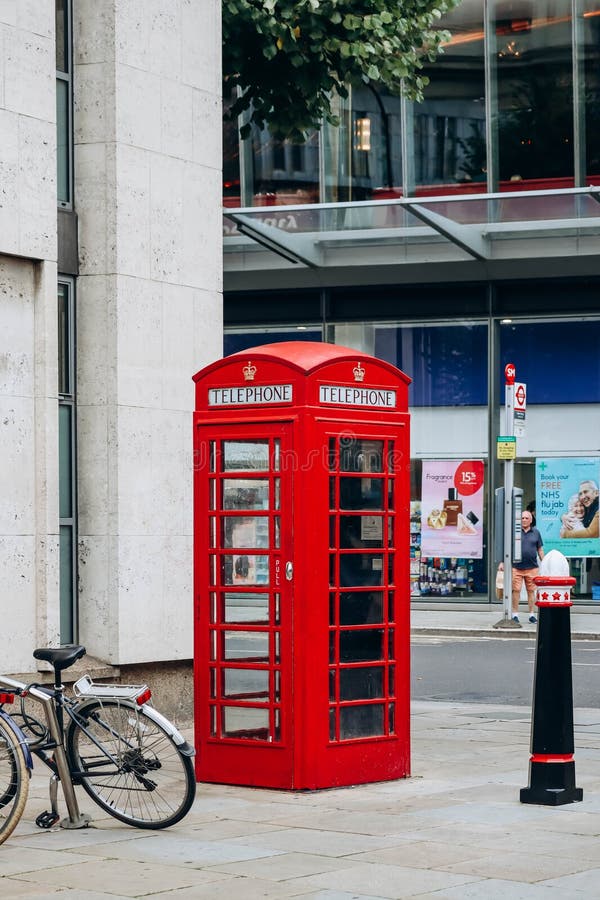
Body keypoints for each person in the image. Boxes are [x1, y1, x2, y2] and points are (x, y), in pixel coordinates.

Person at [512, 509, 544, 624]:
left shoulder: (536, 532)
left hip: (532, 568)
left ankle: (531, 615)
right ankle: (514, 615)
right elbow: (507, 549)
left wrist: (544, 562)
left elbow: (539, 549)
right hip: (516, 567)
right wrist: (502, 562)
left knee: (531, 591)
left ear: (531, 520)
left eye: (527, 518)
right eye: (522, 518)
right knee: (516, 591)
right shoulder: (514, 532)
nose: (524, 520)